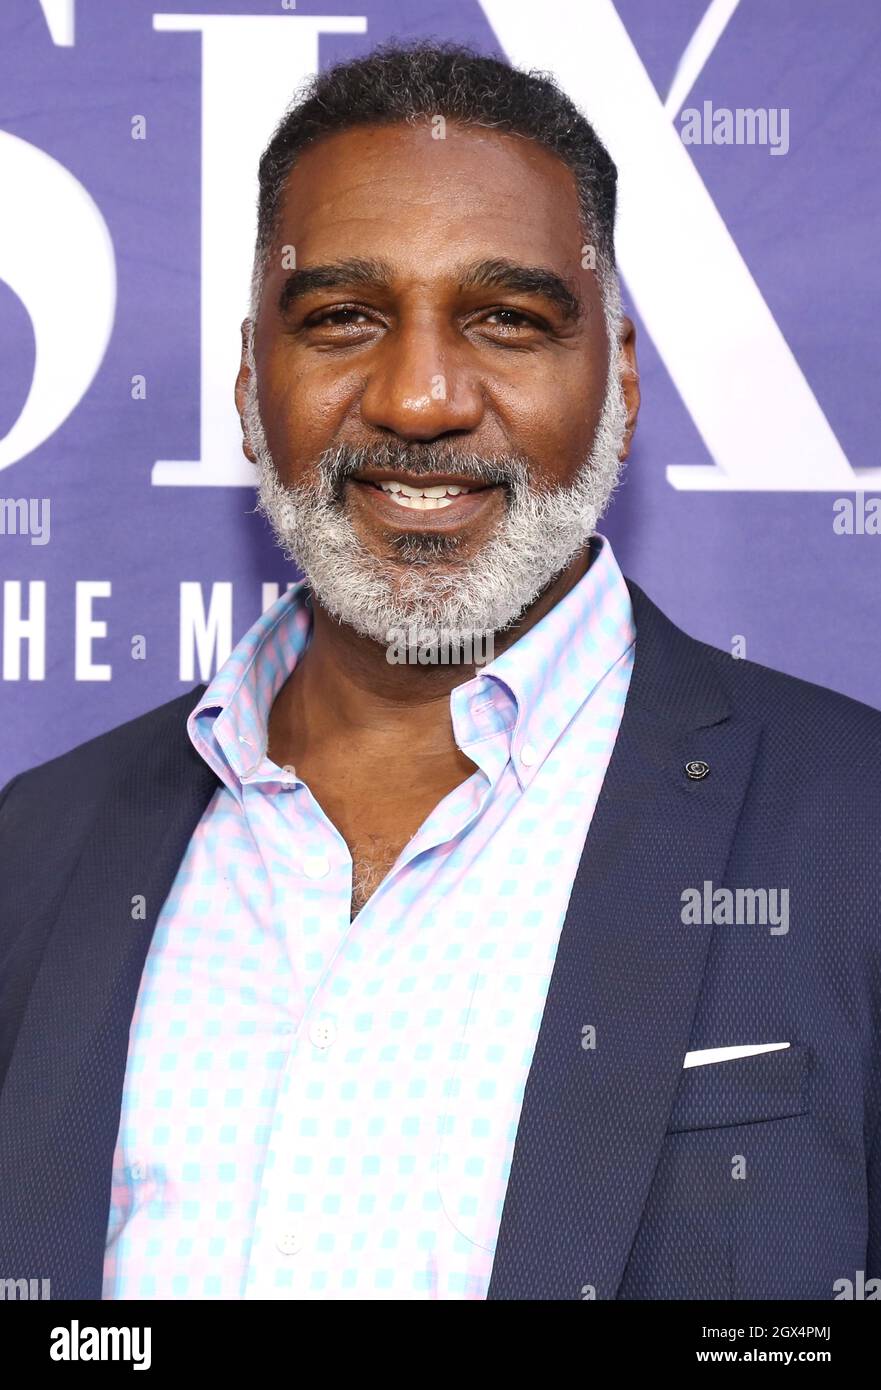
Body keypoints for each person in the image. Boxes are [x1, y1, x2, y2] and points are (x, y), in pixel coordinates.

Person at [1, 41, 879, 1302]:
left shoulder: (851, 828)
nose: (418, 398)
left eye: (506, 319)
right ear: (253, 384)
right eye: (344, 317)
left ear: (619, 382)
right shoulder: (40, 845)